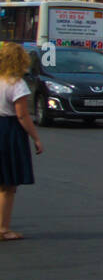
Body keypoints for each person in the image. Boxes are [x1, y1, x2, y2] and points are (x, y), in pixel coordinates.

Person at [0, 42, 43, 241]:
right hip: (8, 132)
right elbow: (22, 115)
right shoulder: (17, 84)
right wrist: (36, 138)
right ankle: (3, 228)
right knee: (8, 185)